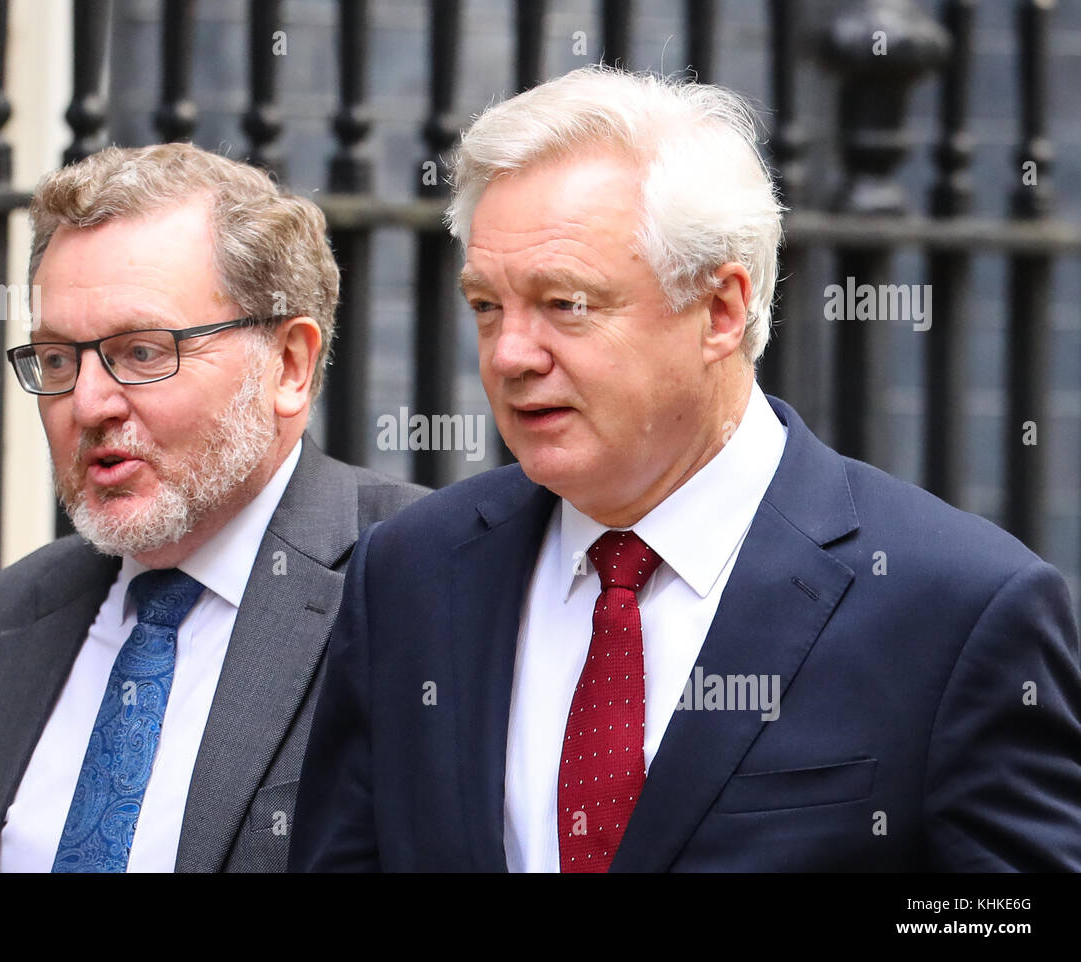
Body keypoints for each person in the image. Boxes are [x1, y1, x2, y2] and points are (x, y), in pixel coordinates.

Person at [289, 65, 1081, 872]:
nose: (511, 354)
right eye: (488, 306)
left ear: (722, 309)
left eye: (567, 304)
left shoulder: (958, 605)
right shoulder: (411, 572)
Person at [0, 143, 426, 872]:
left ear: (288, 365)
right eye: (59, 360)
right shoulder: (9, 616)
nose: (89, 404)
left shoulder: (418, 584)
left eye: (142, 353)